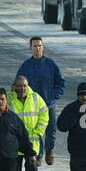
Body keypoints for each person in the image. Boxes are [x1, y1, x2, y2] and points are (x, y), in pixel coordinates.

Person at [15, 36, 65, 164]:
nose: (37, 49)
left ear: (43, 47)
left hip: (49, 104)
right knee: (36, 130)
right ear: (30, 48)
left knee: (51, 130)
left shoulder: (51, 65)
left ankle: (50, 150)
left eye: (39, 46)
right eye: (35, 46)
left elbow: (60, 83)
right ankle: (39, 155)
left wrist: (53, 96)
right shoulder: (26, 66)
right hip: (33, 106)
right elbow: (18, 84)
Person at [7, 75, 48, 171]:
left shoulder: (36, 98)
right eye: (19, 86)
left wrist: (38, 132)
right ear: (14, 86)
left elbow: (44, 114)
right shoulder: (8, 99)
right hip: (14, 144)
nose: (22, 88)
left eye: (25, 85)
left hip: (31, 144)